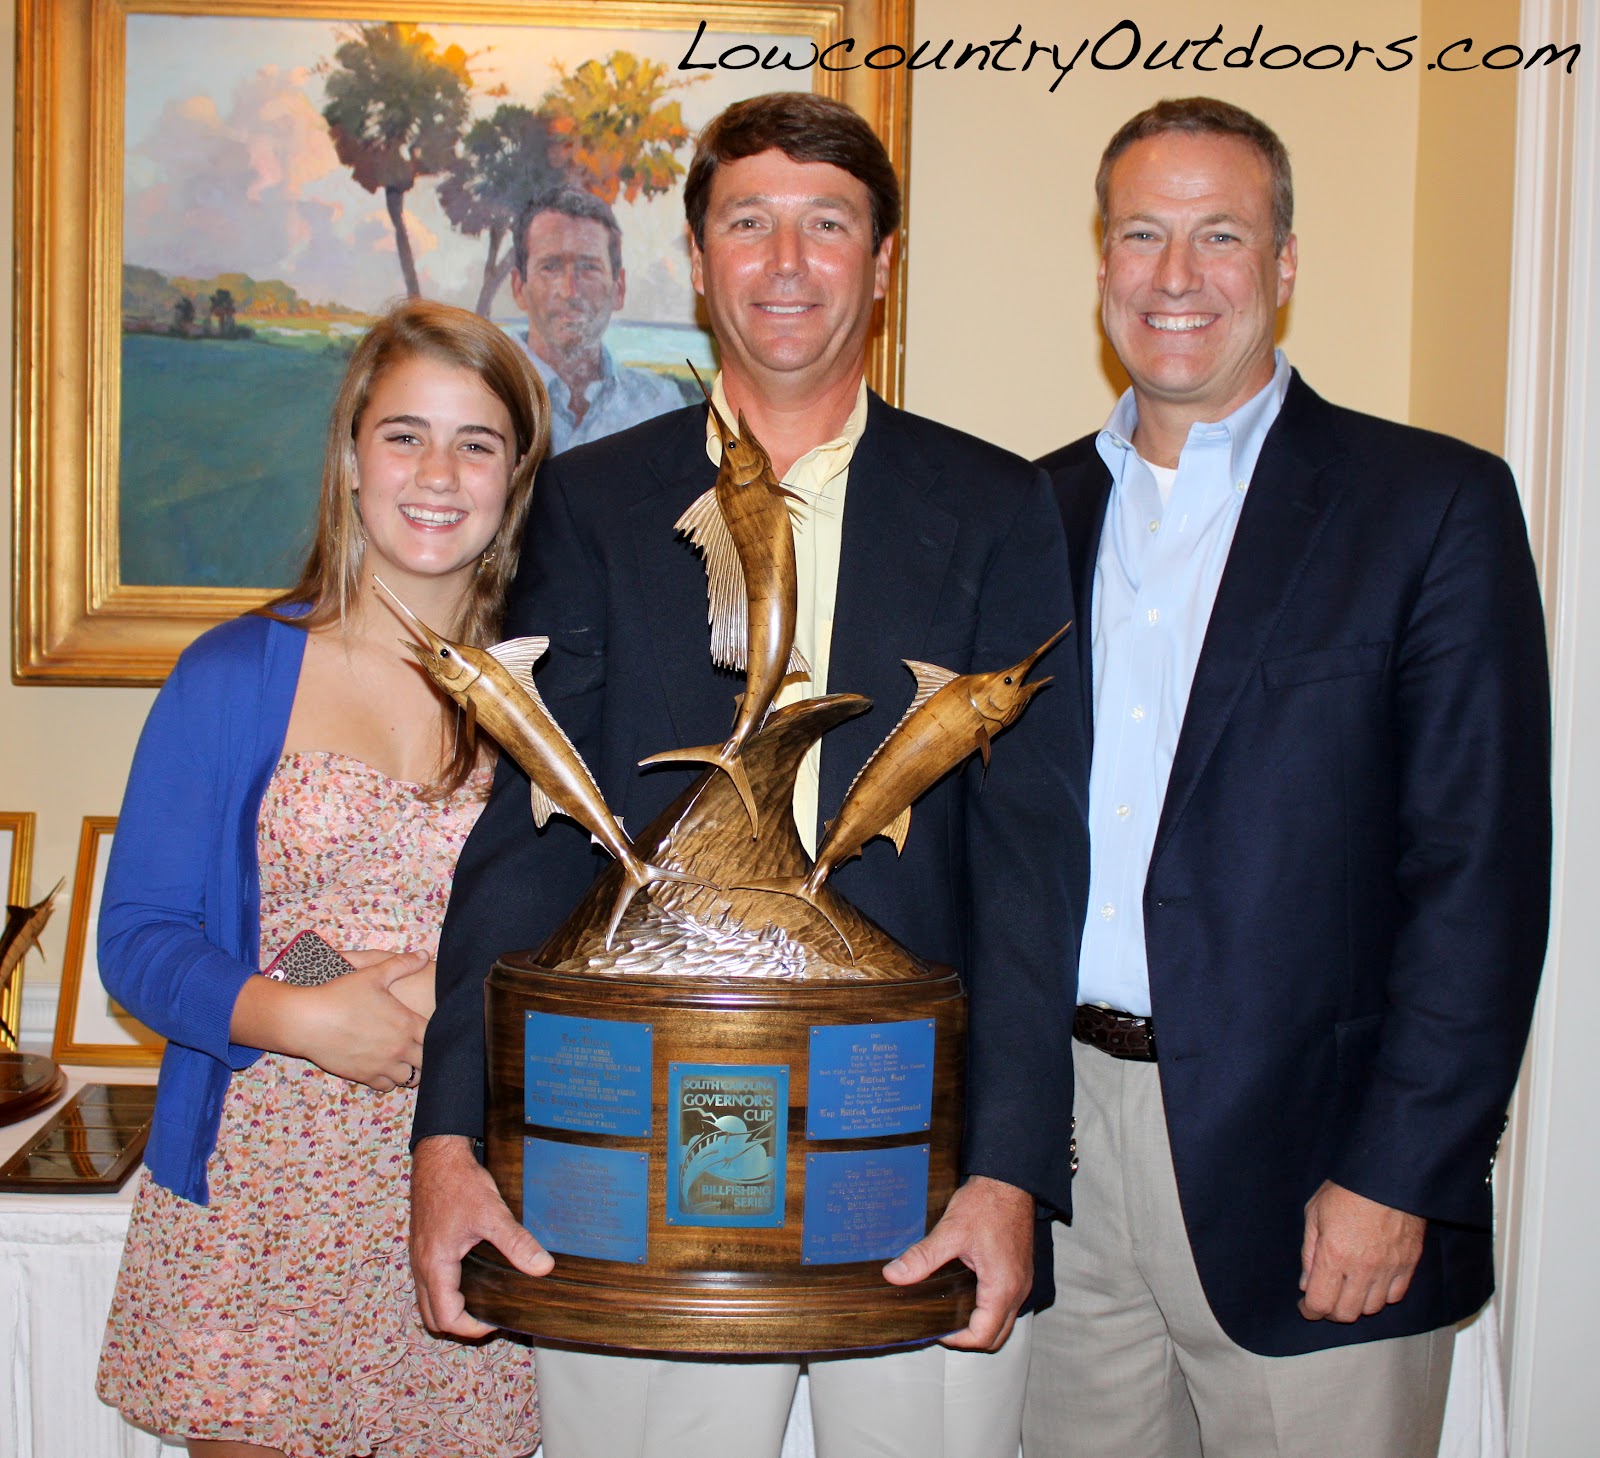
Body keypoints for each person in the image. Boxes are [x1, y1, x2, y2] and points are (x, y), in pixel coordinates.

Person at [411, 92, 1088, 1458]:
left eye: (828, 225)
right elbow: (530, 839)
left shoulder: (1001, 506)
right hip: (633, 1171)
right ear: (703, 258)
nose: (788, 262)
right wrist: (449, 1138)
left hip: (914, 1160)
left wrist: (1011, 1167)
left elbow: (1031, 867)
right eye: (751, 223)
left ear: (884, 264)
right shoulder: (590, 508)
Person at [1022, 96, 1551, 1458]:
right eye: (1143, 234)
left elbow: (1478, 877)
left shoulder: (1430, 508)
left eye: (1220, 235)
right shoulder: (1027, 516)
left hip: (1320, 1168)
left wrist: (1397, 1171)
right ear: (1101, 263)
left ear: (1286, 264)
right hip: (1066, 1160)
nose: (1177, 276)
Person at [95, 298, 550, 1458]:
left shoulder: (548, 700)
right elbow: (142, 937)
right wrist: (302, 1014)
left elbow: (589, 940)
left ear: (515, 474)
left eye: (475, 442)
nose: (436, 472)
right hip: (260, 1197)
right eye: (404, 434)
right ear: (351, 455)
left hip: (464, 1193)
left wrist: (472, 1021)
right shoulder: (235, 673)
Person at [509, 185, 688, 453]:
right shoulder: (487, 396)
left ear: (619, 289)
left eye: (589, 267)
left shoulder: (660, 406)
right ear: (519, 288)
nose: (570, 291)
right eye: (550, 267)